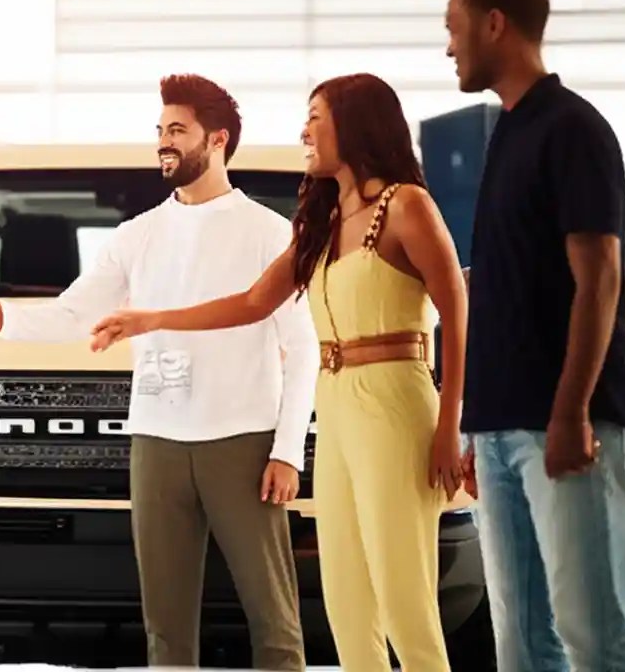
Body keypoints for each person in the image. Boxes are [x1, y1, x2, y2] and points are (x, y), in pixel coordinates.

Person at [91, 72, 468, 672]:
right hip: (337, 406)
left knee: (404, 602)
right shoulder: (320, 223)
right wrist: (150, 318)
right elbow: (249, 304)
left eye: (315, 116)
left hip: (398, 399)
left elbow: (457, 307)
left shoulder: (407, 205)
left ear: (356, 123)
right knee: (346, 603)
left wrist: (454, 423)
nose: (304, 131)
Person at [0, 74, 319, 670]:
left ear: (218, 139)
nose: (164, 142)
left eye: (177, 131)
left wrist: (288, 451)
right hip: (155, 442)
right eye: (160, 131)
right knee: (165, 627)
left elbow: (302, 346)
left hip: (244, 442)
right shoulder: (137, 235)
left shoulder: (267, 231)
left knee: (274, 620)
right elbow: (75, 312)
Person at [444, 0, 625, 671]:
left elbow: (599, 280)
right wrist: (479, 421)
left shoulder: (573, 129)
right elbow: (506, 289)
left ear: (494, 24)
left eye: (454, 28)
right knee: (521, 641)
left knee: (595, 632)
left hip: (569, 425)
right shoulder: (509, 133)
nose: (449, 48)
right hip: (503, 426)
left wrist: (571, 413)